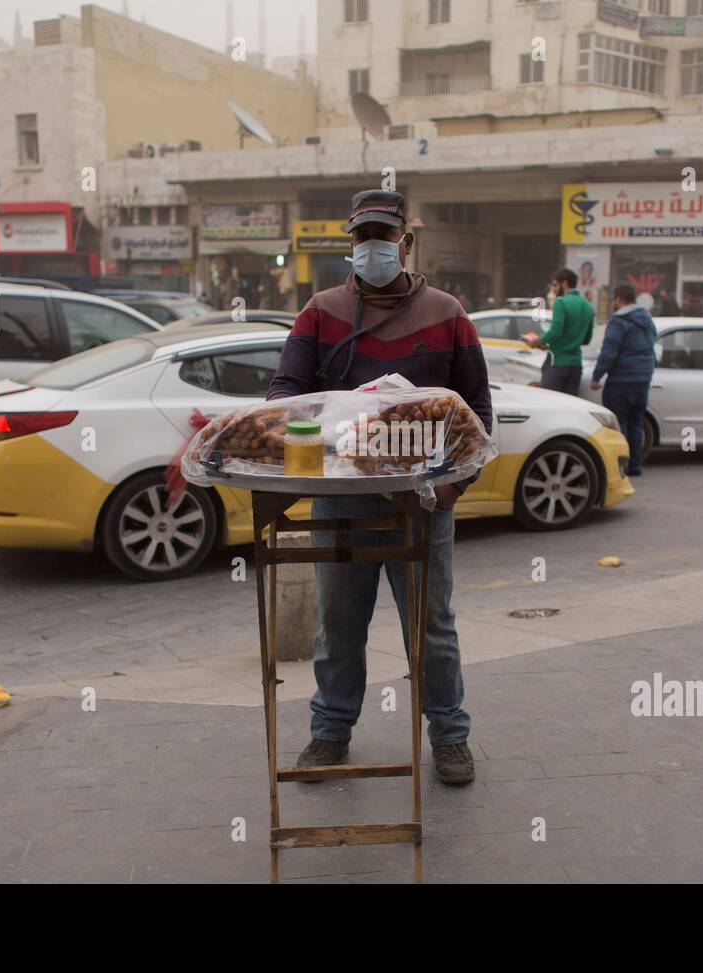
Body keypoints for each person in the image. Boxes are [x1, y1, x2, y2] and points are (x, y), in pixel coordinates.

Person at [266, 189, 493, 785]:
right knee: (339, 626)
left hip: (421, 504)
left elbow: (477, 415)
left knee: (431, 626)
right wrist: (293, 433)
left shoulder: (449, 314)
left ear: (406, 242)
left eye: (382, 237)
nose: (372, 248)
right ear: (351, 244)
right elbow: (286, 391)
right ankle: (330, 732)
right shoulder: (319, 311)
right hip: (341, 500)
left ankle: (449, 735)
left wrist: (451, 491)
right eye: (362, 238)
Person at [590, 285, 656, 477]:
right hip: (643, 379)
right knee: (636, 422)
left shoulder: (618, 321)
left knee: (620, 423)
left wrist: (597, 376)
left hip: (622, 380)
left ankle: (622, 466)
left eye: (614, 299)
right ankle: (636, 465)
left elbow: (609, 352)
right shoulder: (647, 320)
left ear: (618, 299)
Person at [524, 268, 594, 395]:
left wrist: (538, 341)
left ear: (565, 284)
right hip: (576, 365)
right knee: (569, 407)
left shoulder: (560, 302)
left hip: (557, 363)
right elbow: (587, 339)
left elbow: (555, 332)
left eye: (555, 285)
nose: (554, 289)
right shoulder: (588, 305)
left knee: (550, 402)